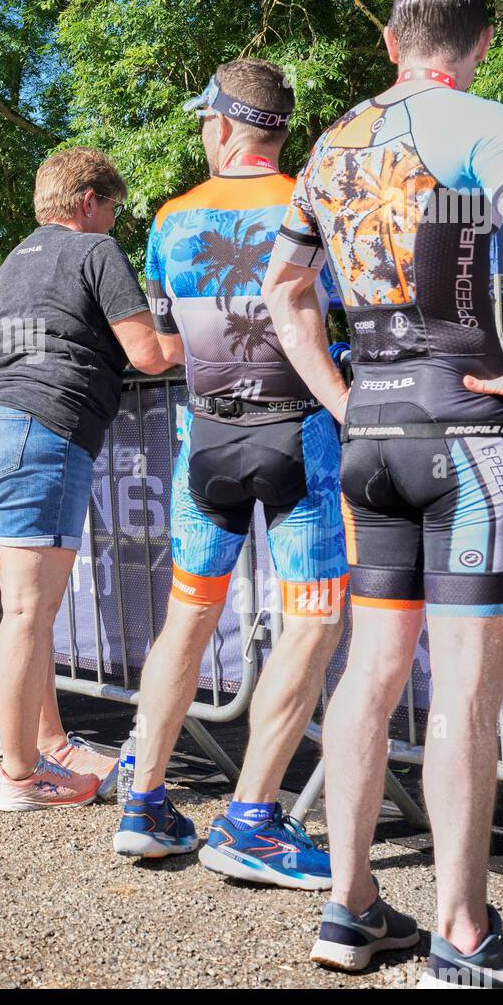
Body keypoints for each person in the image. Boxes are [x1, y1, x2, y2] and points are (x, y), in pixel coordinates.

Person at [264, 0, 503, 989]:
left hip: (372, 437)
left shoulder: (328, 146)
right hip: (463, 434)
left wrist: (339, 394)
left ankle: (350, 907)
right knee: (465, 696)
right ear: (478, 45)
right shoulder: (481, 120)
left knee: (370, 676)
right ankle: (458, 930)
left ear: (393, 43)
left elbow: (284, 287)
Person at [114, 60, 346, 886]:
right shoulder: (313, 201)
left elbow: (170, 336)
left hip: (205, 441)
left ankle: (144, 802)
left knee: (189, 616)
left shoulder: (174, 217)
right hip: (302, 438)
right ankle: (251, 818)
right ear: (277, 129)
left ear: (221, 126)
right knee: (311, 622)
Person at [0, 147, 175, 810]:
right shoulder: (94, 251)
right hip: (40, 429)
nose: (114, 221)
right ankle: (19, 779)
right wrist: (225, 338)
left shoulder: (18, 258)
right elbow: (150, 353)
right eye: (112, 208)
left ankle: (45, 746)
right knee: (27, 612)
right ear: (89, 201)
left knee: (23, 612)